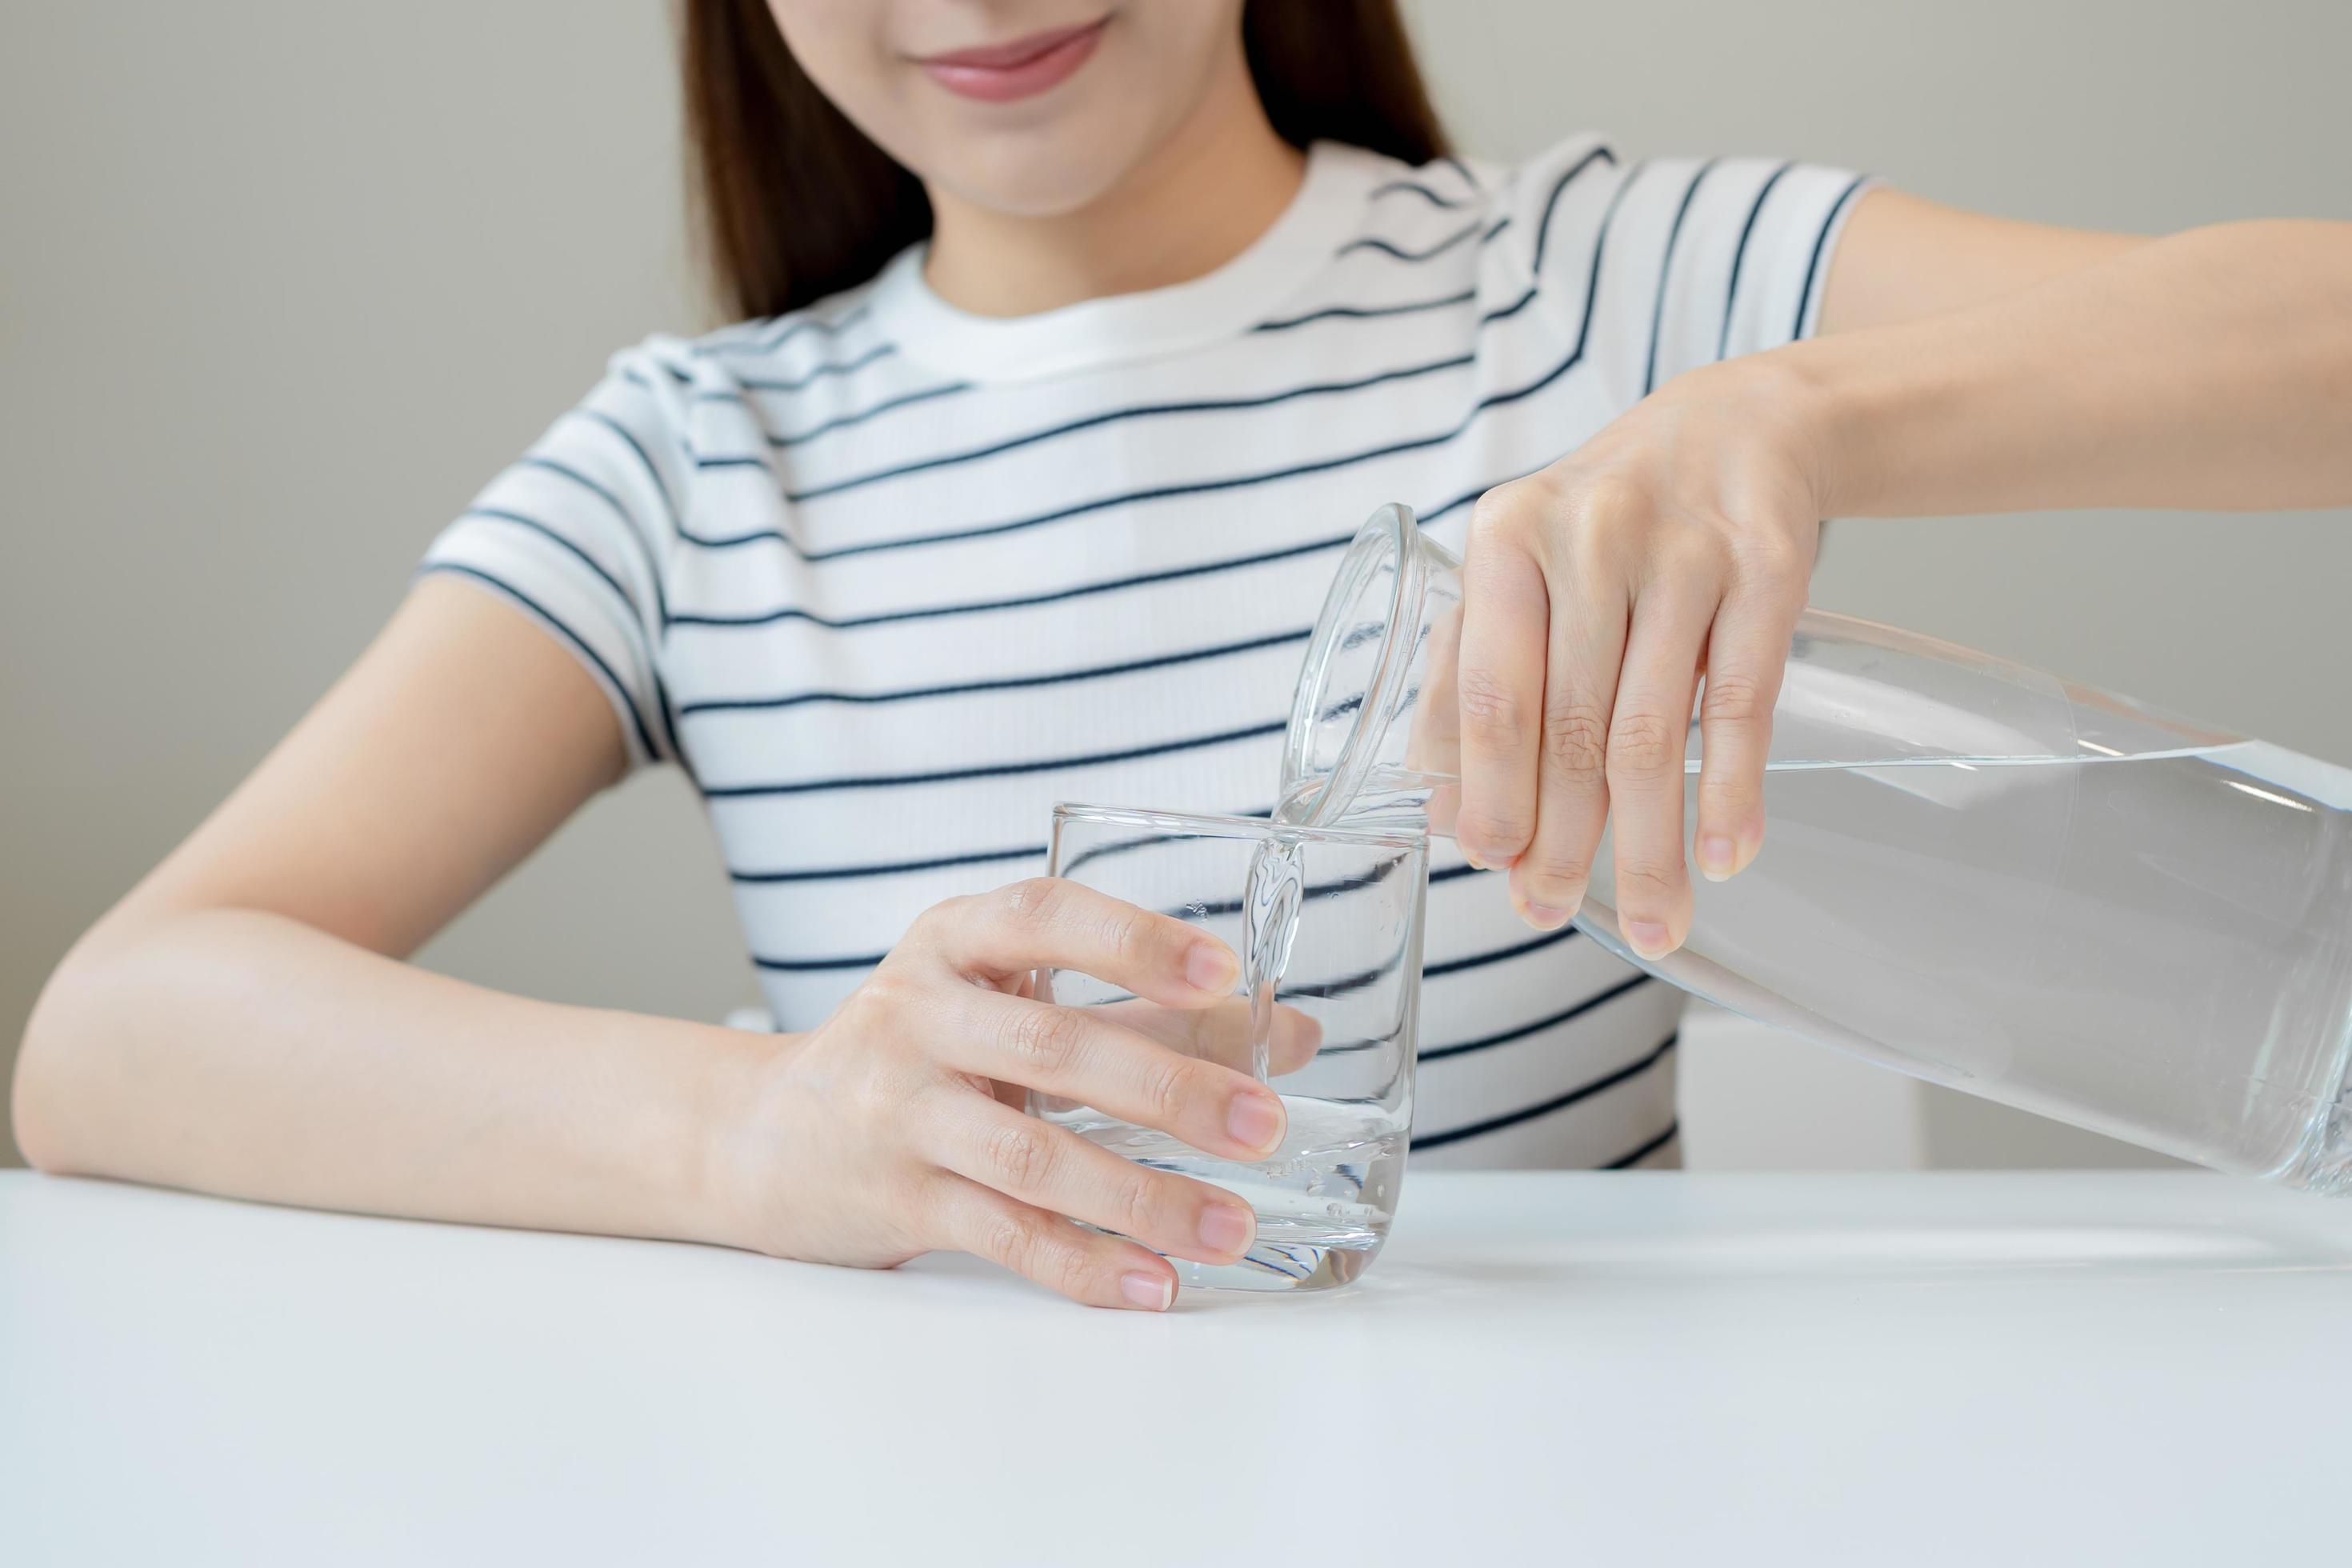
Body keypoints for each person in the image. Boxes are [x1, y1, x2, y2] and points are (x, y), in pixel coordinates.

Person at [14, 1, 2348, 1310]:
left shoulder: (1594, 291)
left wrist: (1800, 413)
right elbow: (113, 1031)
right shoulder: (698, 467)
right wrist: (770, 1127)